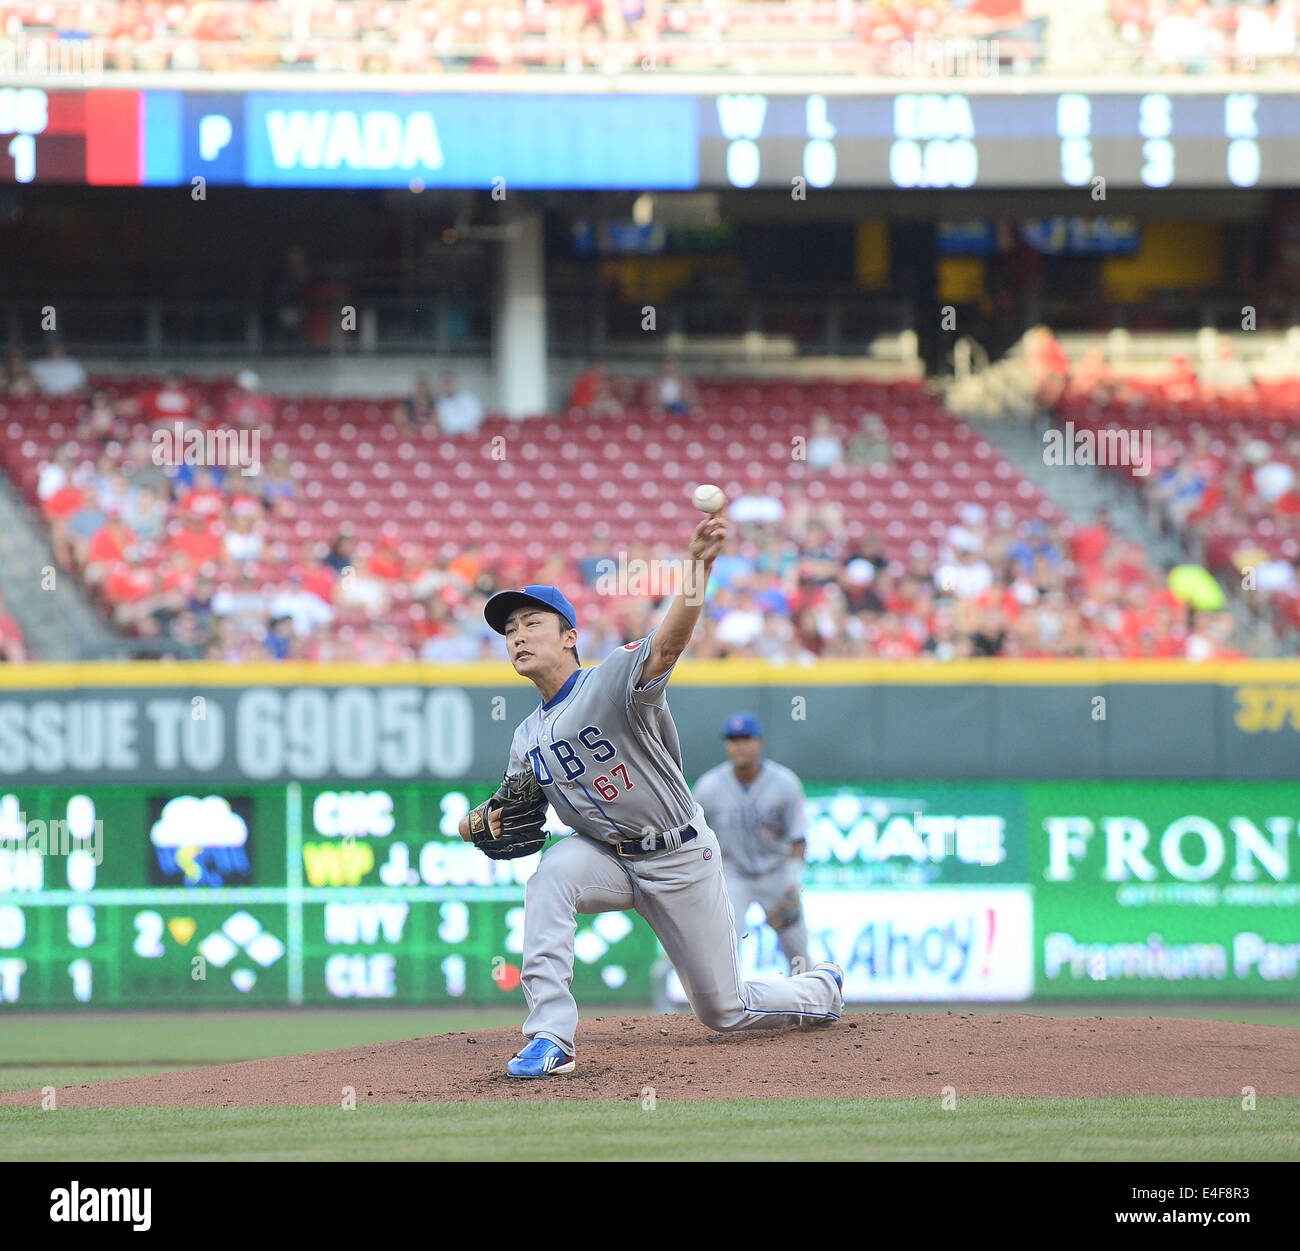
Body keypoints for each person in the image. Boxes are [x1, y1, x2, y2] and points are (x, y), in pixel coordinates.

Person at [458, 518, 843, 1079]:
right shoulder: (525, 738)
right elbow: (510, 813)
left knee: (723, 1011)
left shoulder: (610, 681)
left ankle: (819, 990)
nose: (517, 635)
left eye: (530, 623)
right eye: (509, 629)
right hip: (606, 857)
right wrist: (474, 825)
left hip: (680, 855)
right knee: (551, 873)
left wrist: (699, 567)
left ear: (569, 635)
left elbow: (668, 643)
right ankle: (551, 1035)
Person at [692, 714, 811, 975]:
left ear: (759, 743)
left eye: (745, 738)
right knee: (724, 941)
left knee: (797, 950)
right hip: (733, 874)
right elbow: (693, 838)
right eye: (732, 740)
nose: (738, 745)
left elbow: (798, 839)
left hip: (776, 873)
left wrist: (792, 883)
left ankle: (811, 1006)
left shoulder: (785, 783)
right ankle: (727, 1007)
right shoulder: (708, 786)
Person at [435, 371, 484, 435]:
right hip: (450, 436)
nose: (447, 386)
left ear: (455, 383)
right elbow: (443, 423)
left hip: (470, 434)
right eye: (445, 383)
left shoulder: (468, 398)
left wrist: (466, 429)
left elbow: (478, 417)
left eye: (449, 383)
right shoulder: (439, 402)